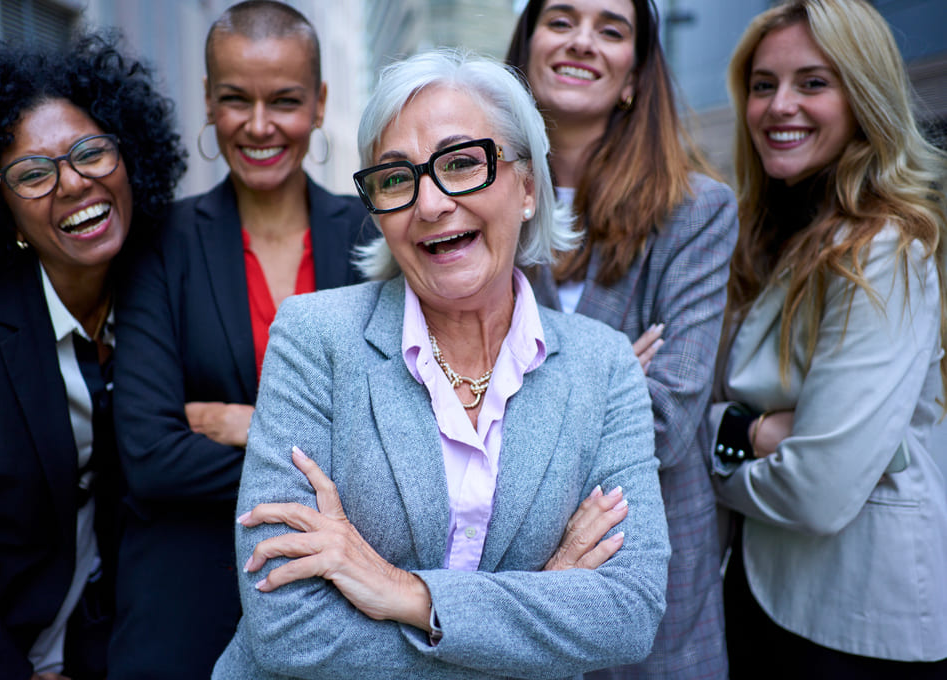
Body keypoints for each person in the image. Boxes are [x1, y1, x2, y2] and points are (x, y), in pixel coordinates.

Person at [210, 49, 670, 680]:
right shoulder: (314, 336)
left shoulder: (603, 364)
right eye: (397, 179)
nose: (429, 204)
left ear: (528, 186)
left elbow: (628, 612)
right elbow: (287, 629)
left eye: (460, 164)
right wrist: (543, 603)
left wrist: (407, 595)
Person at [110, 2, 374, 677]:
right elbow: (150, 458)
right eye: (236, 100)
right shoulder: (158, 244)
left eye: (284, 101)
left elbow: (409, 442)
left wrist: (244, 424)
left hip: (343, 612)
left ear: (319, 103)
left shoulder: (375, 243)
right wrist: (333, 459)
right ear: (207, 101)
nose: (259, 126)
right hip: (185, 606)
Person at [0, 34, 184, 680]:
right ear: (2, 207)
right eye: (35, 174)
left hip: (122, 645)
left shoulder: (164, 289)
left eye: (91, 152)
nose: (74, 183)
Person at [711, 0, 947, 676]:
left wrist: (729, 435)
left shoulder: (884, 248)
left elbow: (817, 491)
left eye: (813, 82)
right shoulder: (769, 231)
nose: (780, 105)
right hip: (767, 591)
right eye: (763, 85)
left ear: (862, 96)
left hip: (855, 618)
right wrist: (758, 430)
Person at [505, 2, 737, 677]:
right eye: (562, 21)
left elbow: (663, 422)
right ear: (527, 48)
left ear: (635, 75)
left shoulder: (695, 211)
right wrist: (610, 372)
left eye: (611, 30)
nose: (582, 42)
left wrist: (525, 378)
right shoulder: (474, 197)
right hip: (515, 579)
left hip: (654, 587)